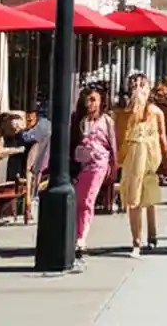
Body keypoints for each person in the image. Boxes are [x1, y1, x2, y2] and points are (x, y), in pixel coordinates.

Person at [121, 73, 167, 257]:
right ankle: (137, 241)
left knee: (148, 198)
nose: (139, 90)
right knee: (135, 200)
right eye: (135, 86)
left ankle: (152, 235)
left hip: (150, 158)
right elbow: (120, 137)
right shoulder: (125, 113)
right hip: (132, 159)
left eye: (143, 86)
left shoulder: (155, 112)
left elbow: (163, 135)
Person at [71, 85, 117, 260]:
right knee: (77, 201)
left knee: (87, 201)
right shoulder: (78, 120)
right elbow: (72, 140)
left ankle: (81, 238)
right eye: (87, 99)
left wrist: (113, 167)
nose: (90, 103)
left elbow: (112, 146)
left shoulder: (106, 121)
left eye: (94, 100)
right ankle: (75, 233)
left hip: (98, 164)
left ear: (100, 102)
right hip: (80, 165)